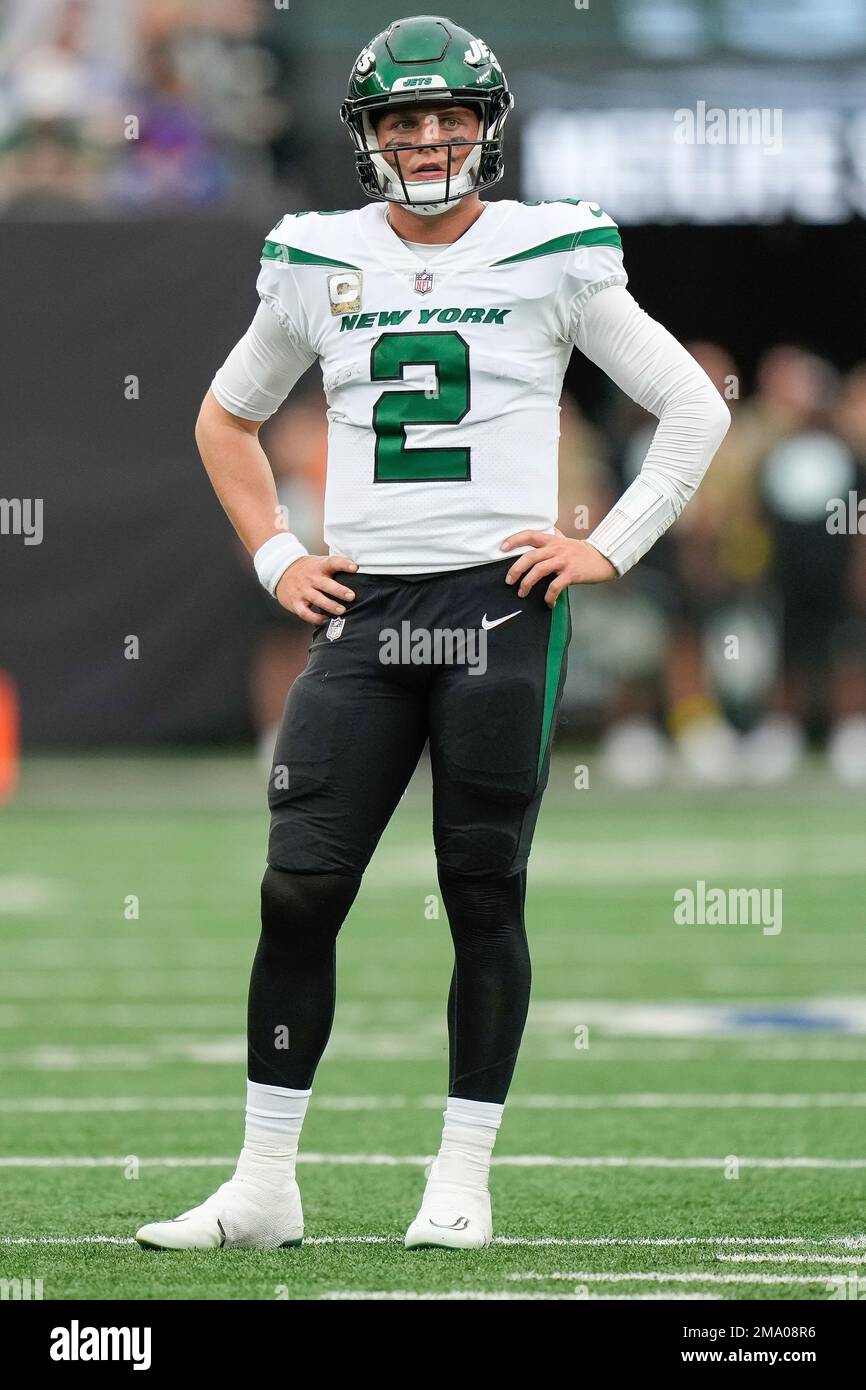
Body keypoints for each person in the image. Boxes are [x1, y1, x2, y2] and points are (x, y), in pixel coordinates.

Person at [135, 14, 729, 1253]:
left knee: (481, 890)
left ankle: (460, 1175)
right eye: (403, 119)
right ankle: (261, 1184)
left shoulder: (552, 250)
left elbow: (686, 403)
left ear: (484, 128)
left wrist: (604, 544)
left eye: (447, 115)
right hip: (364, 614)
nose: (426, 137)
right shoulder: (313, 257)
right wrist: (278, 552)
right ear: (367, 136)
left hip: (495, 606)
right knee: (298, 888)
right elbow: (223, 421)